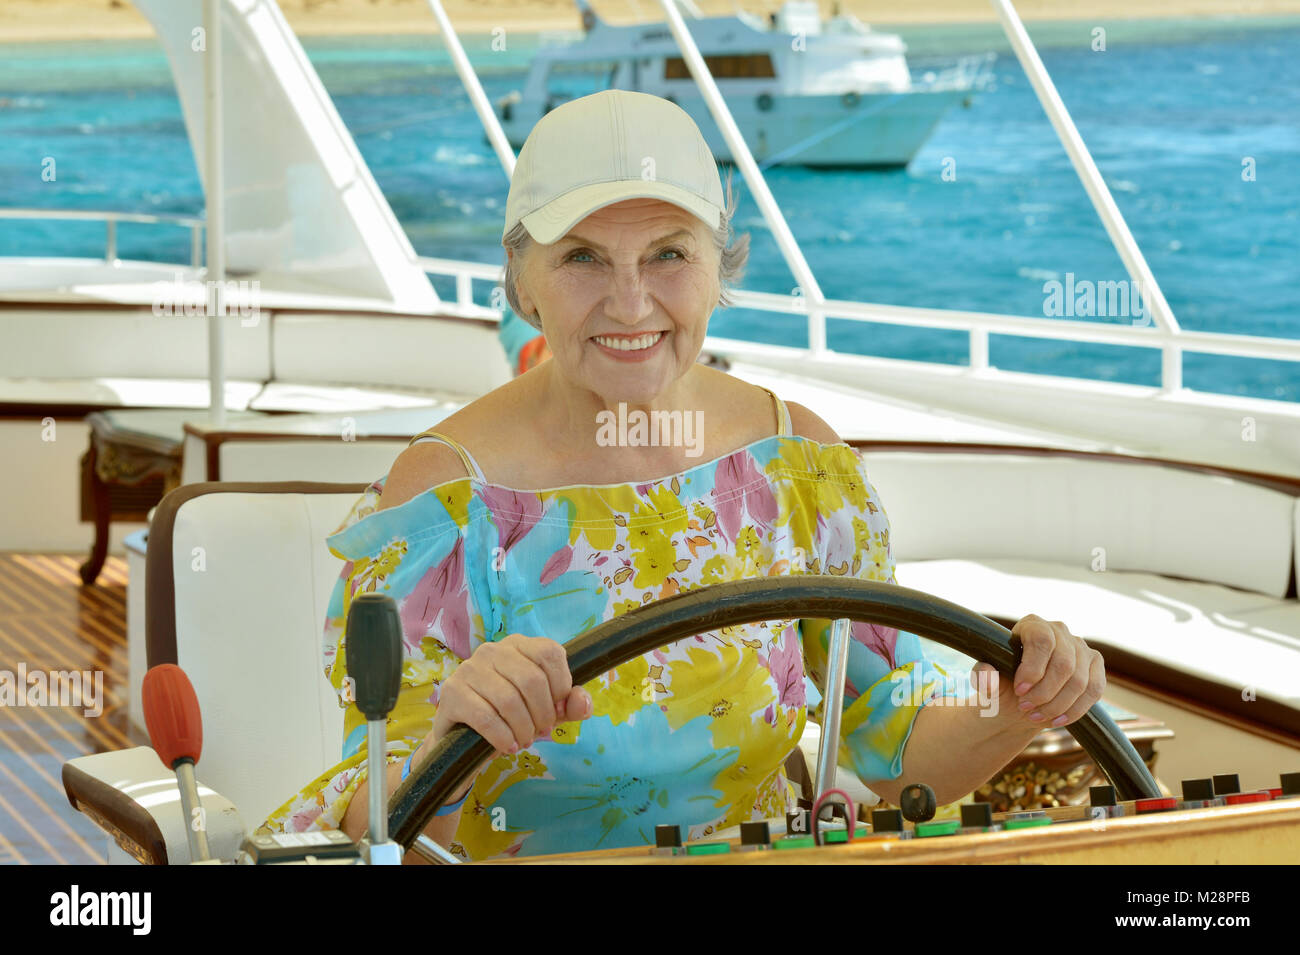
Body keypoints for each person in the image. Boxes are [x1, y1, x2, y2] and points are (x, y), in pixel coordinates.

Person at [260, 89, 1104, 861]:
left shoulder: (800, 465)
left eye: (668, 254)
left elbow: (893, 754)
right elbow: (380, 831)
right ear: (524, 281)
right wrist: (454, 727)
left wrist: (1021, 698)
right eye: (584, 259)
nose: (631, 305)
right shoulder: (441, 504)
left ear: (719, 266)